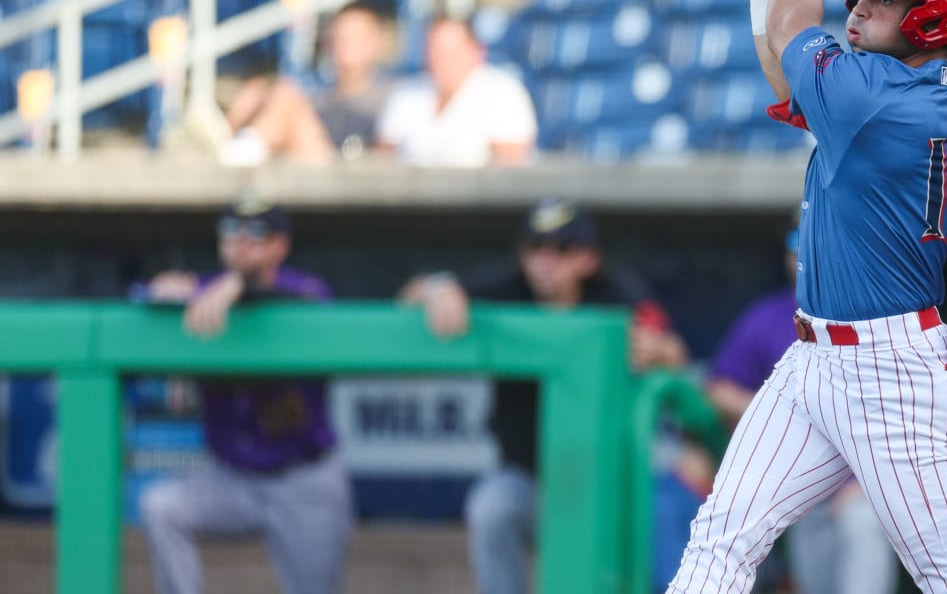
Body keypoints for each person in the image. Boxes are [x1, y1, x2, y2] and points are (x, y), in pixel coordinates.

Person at [667, 0, 947, 593]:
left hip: (889, 376)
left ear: (931, 20)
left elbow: (795, 30)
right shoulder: (895, 89)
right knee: (722, 537)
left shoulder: (882, 100)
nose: (859, 8)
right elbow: (788, 74)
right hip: (815, 360)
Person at [397, 197, 687, 594]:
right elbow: (412, 293)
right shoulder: (508, 285)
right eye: (535, 248)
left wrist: (660, 351)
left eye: (562, 250)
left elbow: (674, 353)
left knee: (659, 523)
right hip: (527, 475)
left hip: (607, 478)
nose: (545, 261)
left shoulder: (616, 292)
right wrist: (439, 289)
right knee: (491, 509)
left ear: (587, 259)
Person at [135, 195, 353, 594]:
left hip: (304, 480)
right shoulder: (202, 291)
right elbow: (145, 299)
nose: (241, 242)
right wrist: (162, 289)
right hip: (232, 480)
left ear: (280, 246)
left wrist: (237, 285)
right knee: (161, 506)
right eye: (231, 231)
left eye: (256, 233)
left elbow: (306, 301)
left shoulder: (303, 290)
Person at [705, 223, 897, 594]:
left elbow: (901, 410)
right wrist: (779, 414)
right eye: (797, 245)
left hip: (864, 483)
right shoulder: (768, 315)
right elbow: (718, 388)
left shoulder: (875, 311)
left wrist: (872, 484)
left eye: (815, 244)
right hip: (798, 485)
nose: (804, 256)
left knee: (863, 523)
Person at [222, 1, 396, 164]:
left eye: (355, 39)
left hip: (348, 175)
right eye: (338, 39)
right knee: (257, 90)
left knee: (286, 94)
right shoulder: (321, 94)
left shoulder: (394, 96)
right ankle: (228, 144)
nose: (343, 47)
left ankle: (237, 152)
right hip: (314, 163)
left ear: (377, 42)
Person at [376, 16, 538, 168]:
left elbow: (509, 168)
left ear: (476, 51)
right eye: (435, 50)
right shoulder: (406, 93)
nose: (442, 59)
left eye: (451, 51)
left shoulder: (504, 93)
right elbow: (384, 159)